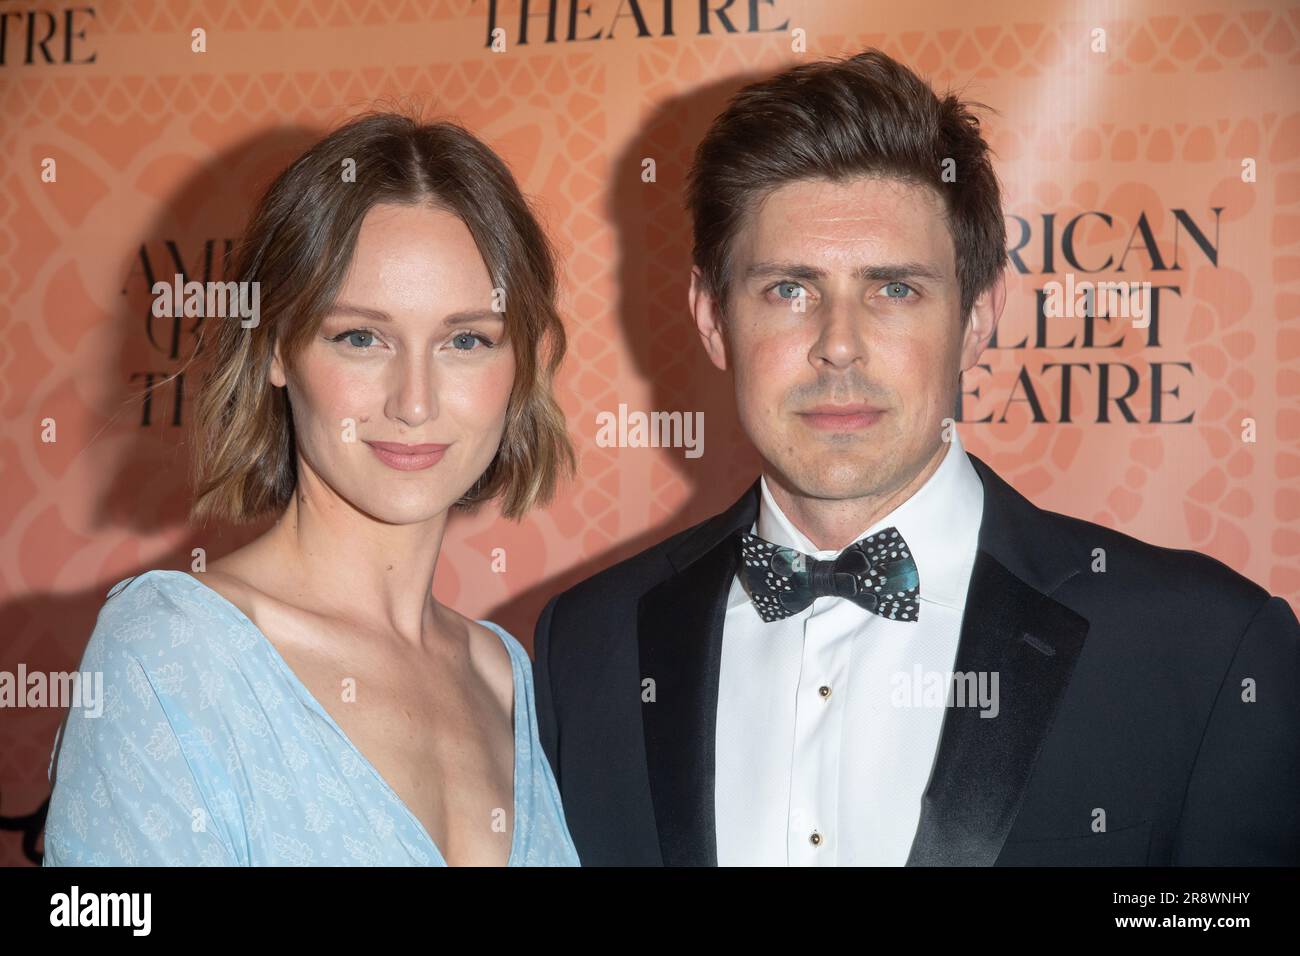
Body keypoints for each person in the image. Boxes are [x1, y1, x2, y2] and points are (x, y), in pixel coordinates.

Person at [532, 50, 1300, 866]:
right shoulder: (588, 647)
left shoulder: (1206, 649)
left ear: (976, 319)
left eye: (895, 289)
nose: (838, 346)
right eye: (789, 289)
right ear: (713, 319)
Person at [43, 112, 580, 866]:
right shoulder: (175, 654)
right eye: (361, 337)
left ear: (521, 365)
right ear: (274, 351)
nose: (415, 402)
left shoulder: (505, 675)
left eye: (467, 340)